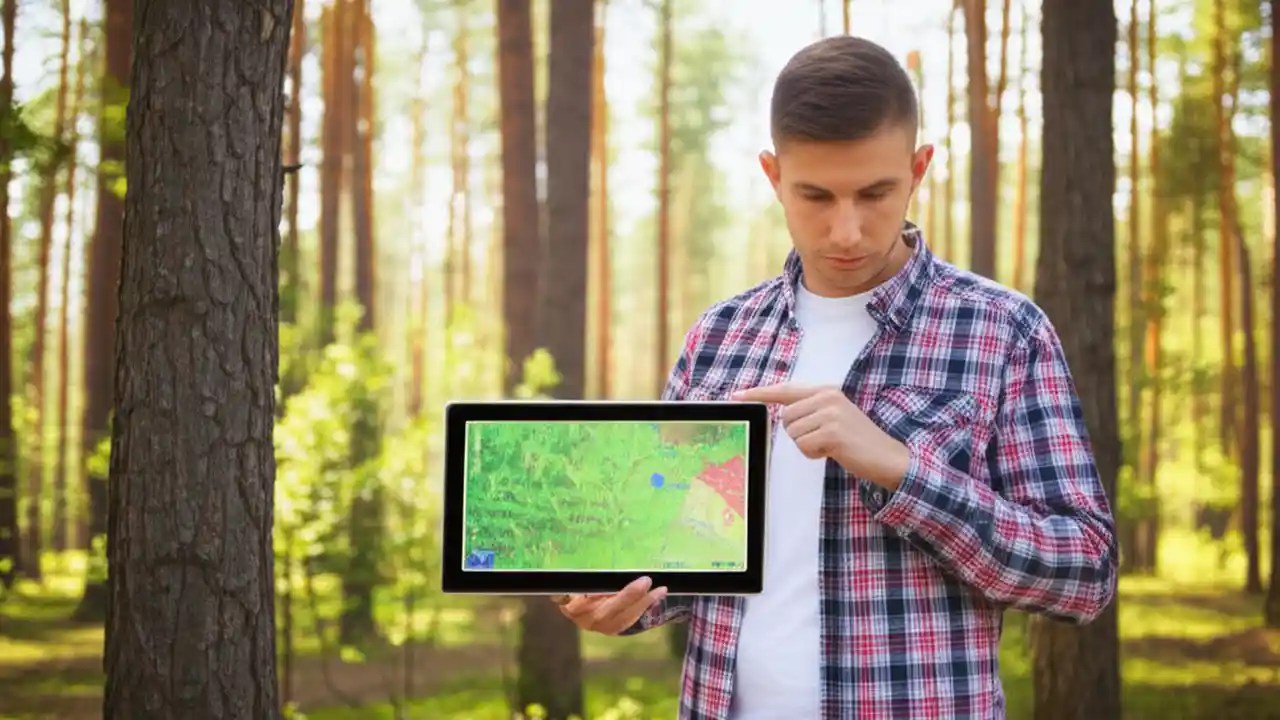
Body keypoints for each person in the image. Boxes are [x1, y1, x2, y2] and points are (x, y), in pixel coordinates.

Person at [552, 35, 1118, 719]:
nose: (845, 230)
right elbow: (685, 560)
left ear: (917, 169)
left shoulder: (1003, 331)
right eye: (815, 195)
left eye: (874, 193)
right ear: (772, 175)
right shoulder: (719, 338)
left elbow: (1084, 572)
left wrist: (904, 473)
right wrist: (619, 603)